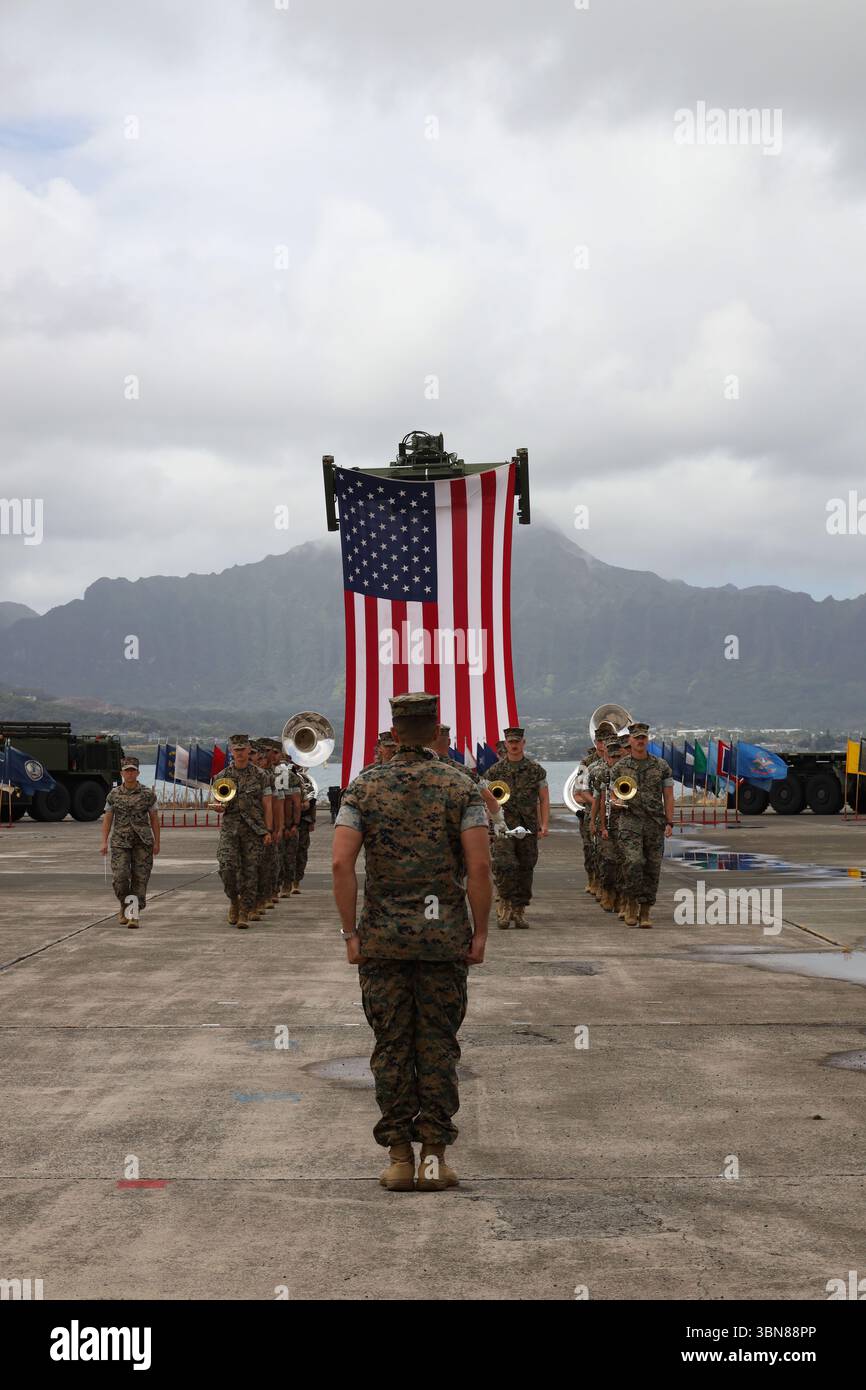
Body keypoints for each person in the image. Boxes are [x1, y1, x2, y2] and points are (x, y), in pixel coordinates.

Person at [332, 691, 491, 1193]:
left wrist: (350, 933)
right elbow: (481, 866)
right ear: (435, 729)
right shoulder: (460, 785)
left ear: (395, 733)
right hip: (443, 941)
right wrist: (480, 931)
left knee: (392, 1047)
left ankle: (399, 1158)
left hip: (382, 944)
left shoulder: (365, 788)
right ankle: (433, 1160)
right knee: (439, 1047)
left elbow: (340, 864)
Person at [608, 722, 674, 928]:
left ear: (647, 740)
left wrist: (669, 821)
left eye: (643, 737)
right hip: (630, 822)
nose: (640, 741)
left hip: (654, 823)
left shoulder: (661, 766)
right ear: (630, 740)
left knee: (652, 867)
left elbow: (669, 796)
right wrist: (616, 802)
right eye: (636, 738)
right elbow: (612, 795)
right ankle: (630, 904)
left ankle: (645, 912)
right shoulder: (620, 767)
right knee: (633, 862)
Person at [485, 725, 549, 928]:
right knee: (504, 865)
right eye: (510, 742)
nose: (514, 745)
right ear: (505, 744)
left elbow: (544, 799)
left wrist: (544, 825)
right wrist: (488, 827)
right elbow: (486, 801)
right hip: (503, 827)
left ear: (523, 743)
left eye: (517, 742)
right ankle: (504, 906)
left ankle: (519, 910)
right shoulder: (494, 771)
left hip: (528, 827)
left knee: (525, 867)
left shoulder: (535, 770)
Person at [214, 734, 273, 929]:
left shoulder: (261, 775)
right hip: (230, 829)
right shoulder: (222, 777)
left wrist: (268, 830)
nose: (239, 753)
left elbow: (267, 804)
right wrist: (218, 807)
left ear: (249, 751)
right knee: (227, 867)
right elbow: (218, 801)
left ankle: (244, 913)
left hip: (254, 830)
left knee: (250, 872)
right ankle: (234, 900)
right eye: (236, 749)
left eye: (243, 749)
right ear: (231, 751)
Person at [100, 756, 159, 927]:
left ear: (138, 773)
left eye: (133, 770)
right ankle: (124, 905)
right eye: (127, 771)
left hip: (143, 842)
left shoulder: (148, 794)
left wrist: (157, 842)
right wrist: (103, 842)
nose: (130, 773)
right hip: (120, 842)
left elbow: (154, 819)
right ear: (122, 773)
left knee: (140, 878)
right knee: (121, 877)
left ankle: (133, 914)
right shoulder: (114, 794)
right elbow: (108, 818)